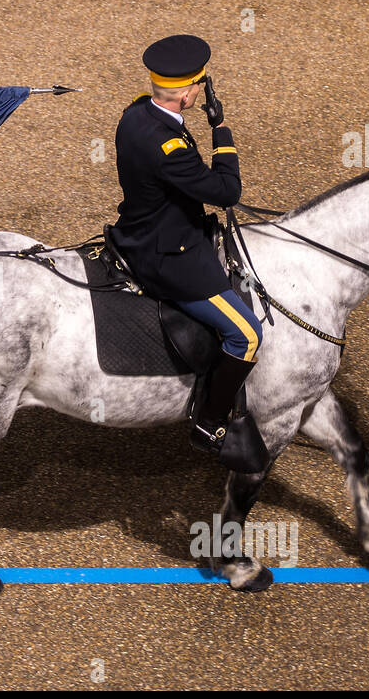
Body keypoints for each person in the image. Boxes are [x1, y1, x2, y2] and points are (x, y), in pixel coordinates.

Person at [106, 35, 264, 461]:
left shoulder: (136, 113)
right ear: (192, 91)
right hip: (166, 254)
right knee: (247, 334)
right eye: (200, 86)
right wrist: (220, 128)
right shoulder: (170, 147)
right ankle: (208, 422)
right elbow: (227, 191)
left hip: (139, 227)